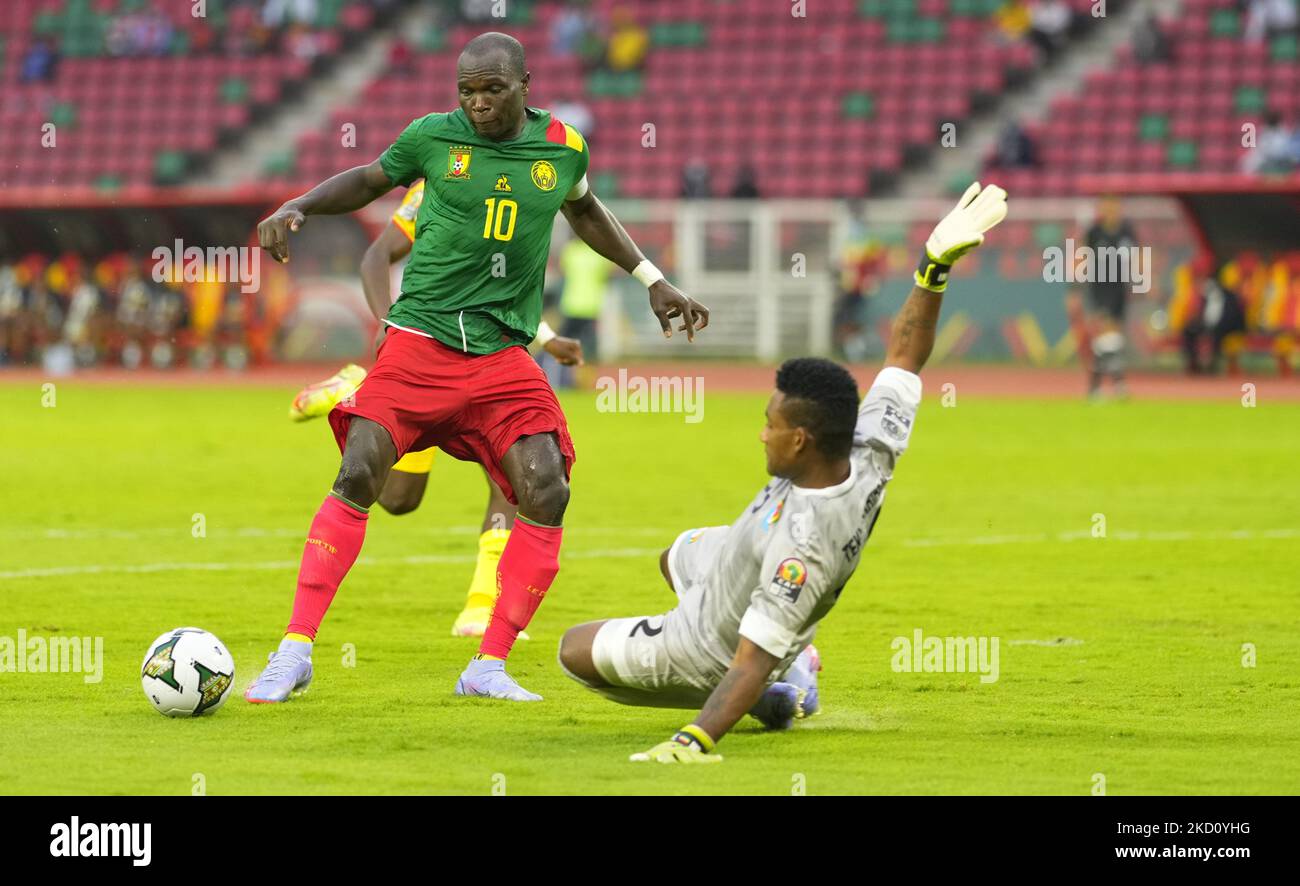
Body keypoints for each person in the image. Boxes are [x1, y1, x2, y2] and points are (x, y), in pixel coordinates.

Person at [245, 32, 708, 704]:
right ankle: (294, 651)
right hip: (419, 342)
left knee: (546, 486)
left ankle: (486, 665)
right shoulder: (433, 138)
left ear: (523, 83)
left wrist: (650, 277)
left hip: (501, 356)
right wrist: (300, 206)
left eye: (492, 89)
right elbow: (371, 179)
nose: (479, 103)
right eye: (467, 91)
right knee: (364, 477)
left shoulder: (563, 147)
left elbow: (584, 209)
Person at [557, 183, 1009, 763]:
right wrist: (932, 268)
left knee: (573, 652)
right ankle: (788, 667)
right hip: (738, 555)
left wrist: (692, 743)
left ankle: (780, 688)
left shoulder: (804, 544)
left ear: (800, 439)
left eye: (770, 424)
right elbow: (904, 355)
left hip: (705, 646)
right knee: (676, 553)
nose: (761, 433)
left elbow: (749, 659)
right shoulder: (869, 444)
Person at [288, 177, 585, 637]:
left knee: (512, 478)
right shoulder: (437, 182)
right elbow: (377, 255)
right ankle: (355, 389)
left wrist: (545, 338)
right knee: (399, 499)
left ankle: (482, 603)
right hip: (420, 361)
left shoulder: (512, 187)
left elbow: (496, 288)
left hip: (490, 361)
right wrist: (389, 323)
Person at [1083, 195, 1138, 399]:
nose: (1111, 210)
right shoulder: (1094, 232)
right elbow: (1081, 256)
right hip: (1100, 287)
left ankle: (1098, 387)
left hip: (1119, 287)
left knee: (1112, 338)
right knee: (1106, 332)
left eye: (1115, 206)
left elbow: (1136, 256)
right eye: (1107, 206)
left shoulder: (1126, 231)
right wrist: (1075, 288)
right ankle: (1113, 385)